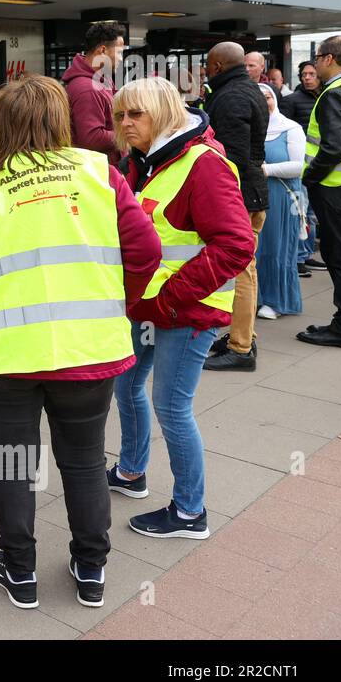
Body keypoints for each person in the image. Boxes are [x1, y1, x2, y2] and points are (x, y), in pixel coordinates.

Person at [0, 74, 161, 610]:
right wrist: (116, 300)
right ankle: (90, 568)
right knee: (84, 462)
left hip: (5, 353)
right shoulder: (99, 174)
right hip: (89, 348)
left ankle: (19, 571)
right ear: (60, 119)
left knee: (13, 461)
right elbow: (147, 250)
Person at [109, 78, 253, 540]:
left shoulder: (203, 165)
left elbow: (235, 245)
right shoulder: (145, 161)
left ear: (164, 113)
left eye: (136, 114)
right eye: (120, 116)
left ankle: (190, 512)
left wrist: (169, 299)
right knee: (127, 385)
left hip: (186, 312)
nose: (126, 124)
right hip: (149, 308)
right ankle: (132, 472)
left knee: (171, 407)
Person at [201, 42, 269, 372]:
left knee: (241, 270)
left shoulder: (230, 97)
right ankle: (241, 337)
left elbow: (232, 158)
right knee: (245, 268)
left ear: (216, 66)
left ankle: (241, 347)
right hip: (251, 190)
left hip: (241, 194)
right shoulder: (248, 89)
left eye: (207, 65)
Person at [297, 35, 341, 348]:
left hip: (334, 189)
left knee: (339, 256)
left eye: (317, 58)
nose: (315, 64)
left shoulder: (334, 93)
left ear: (329, 59)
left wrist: (310, 177)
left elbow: (332, 148)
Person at [255, 84, 305, 320]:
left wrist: (265, 170)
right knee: (258, 250)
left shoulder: (291, 128)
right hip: (257, 197)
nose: (264, 102)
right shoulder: (251, 129)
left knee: (278, 249)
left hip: (282, 198)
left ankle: (278, 301)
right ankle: (258, 297)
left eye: (267, 97)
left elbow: (298, 166)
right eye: (259, 98)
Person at [62, 22, 126, 163]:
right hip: (100, 173)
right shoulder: (87, 89)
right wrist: (127, 134)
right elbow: (92, 138)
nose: (121, 59)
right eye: (119, 53)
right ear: (103, 50)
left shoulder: (104, 78)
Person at [283, 60, 322, 274]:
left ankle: (307, 254)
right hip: (301, 165)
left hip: (320, 165)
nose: (307, 78)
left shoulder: (325, 97)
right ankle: (298, 259)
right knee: (301, 213)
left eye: (311, 74)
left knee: (312, 214)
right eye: (304, 74)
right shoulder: (292, 101)